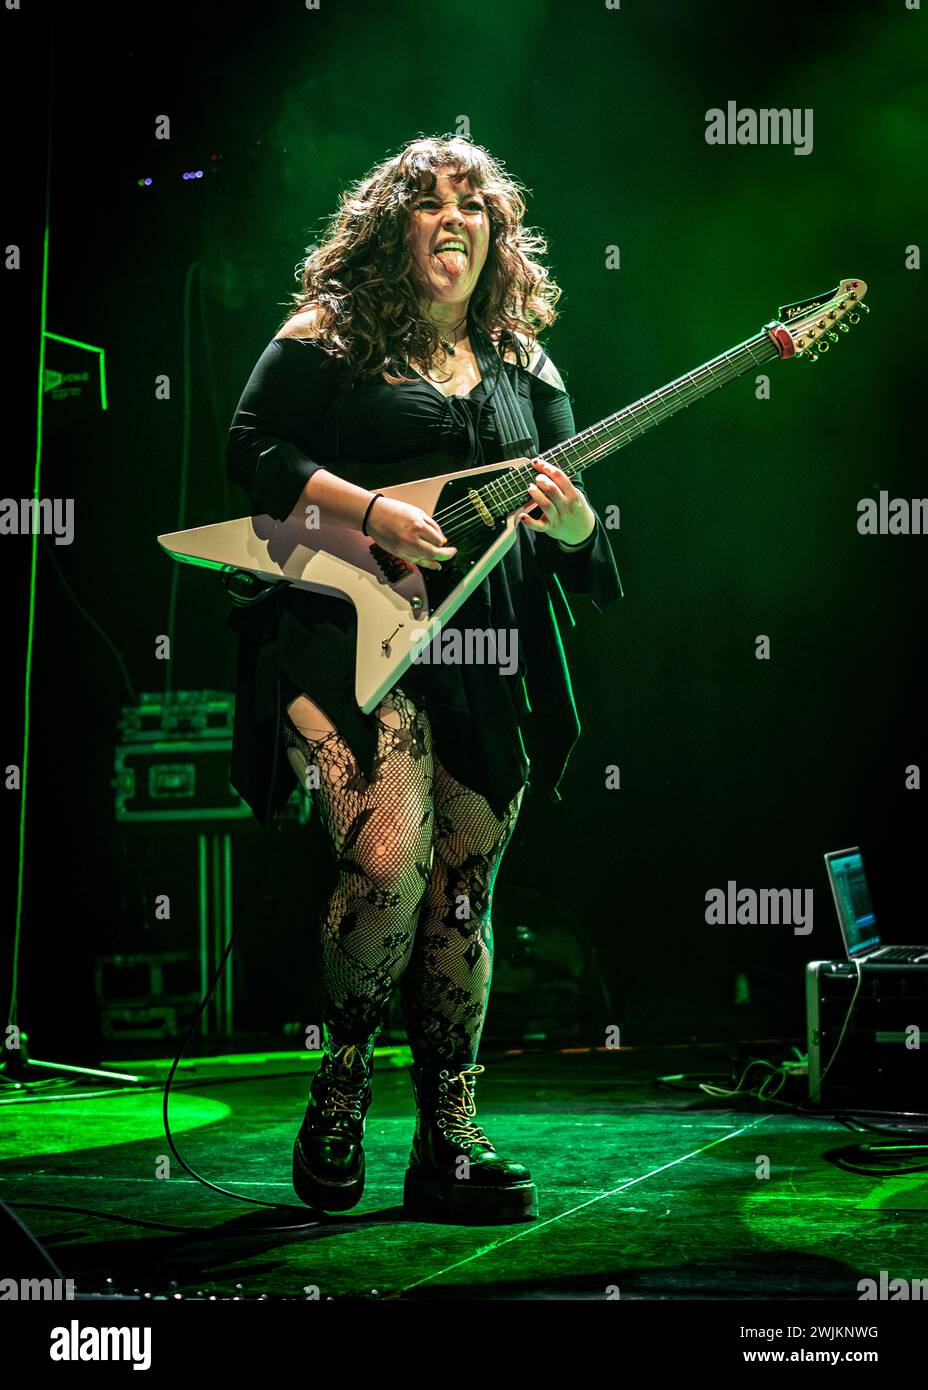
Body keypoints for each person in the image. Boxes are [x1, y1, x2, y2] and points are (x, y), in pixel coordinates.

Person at [225, 135, 623, 1224]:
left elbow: (576, 533)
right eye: (427, 203)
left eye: (473, 205)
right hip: (343, 629)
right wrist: (368, 508)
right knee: (387, 856)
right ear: (386, 226)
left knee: (460, 888)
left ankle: (446, 1130)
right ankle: (342, 1083)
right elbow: (250, 453)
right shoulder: (329, 337)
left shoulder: (522, 362)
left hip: (484, 642)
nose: (452, 219)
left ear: (497, 234)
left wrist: (577, 519)